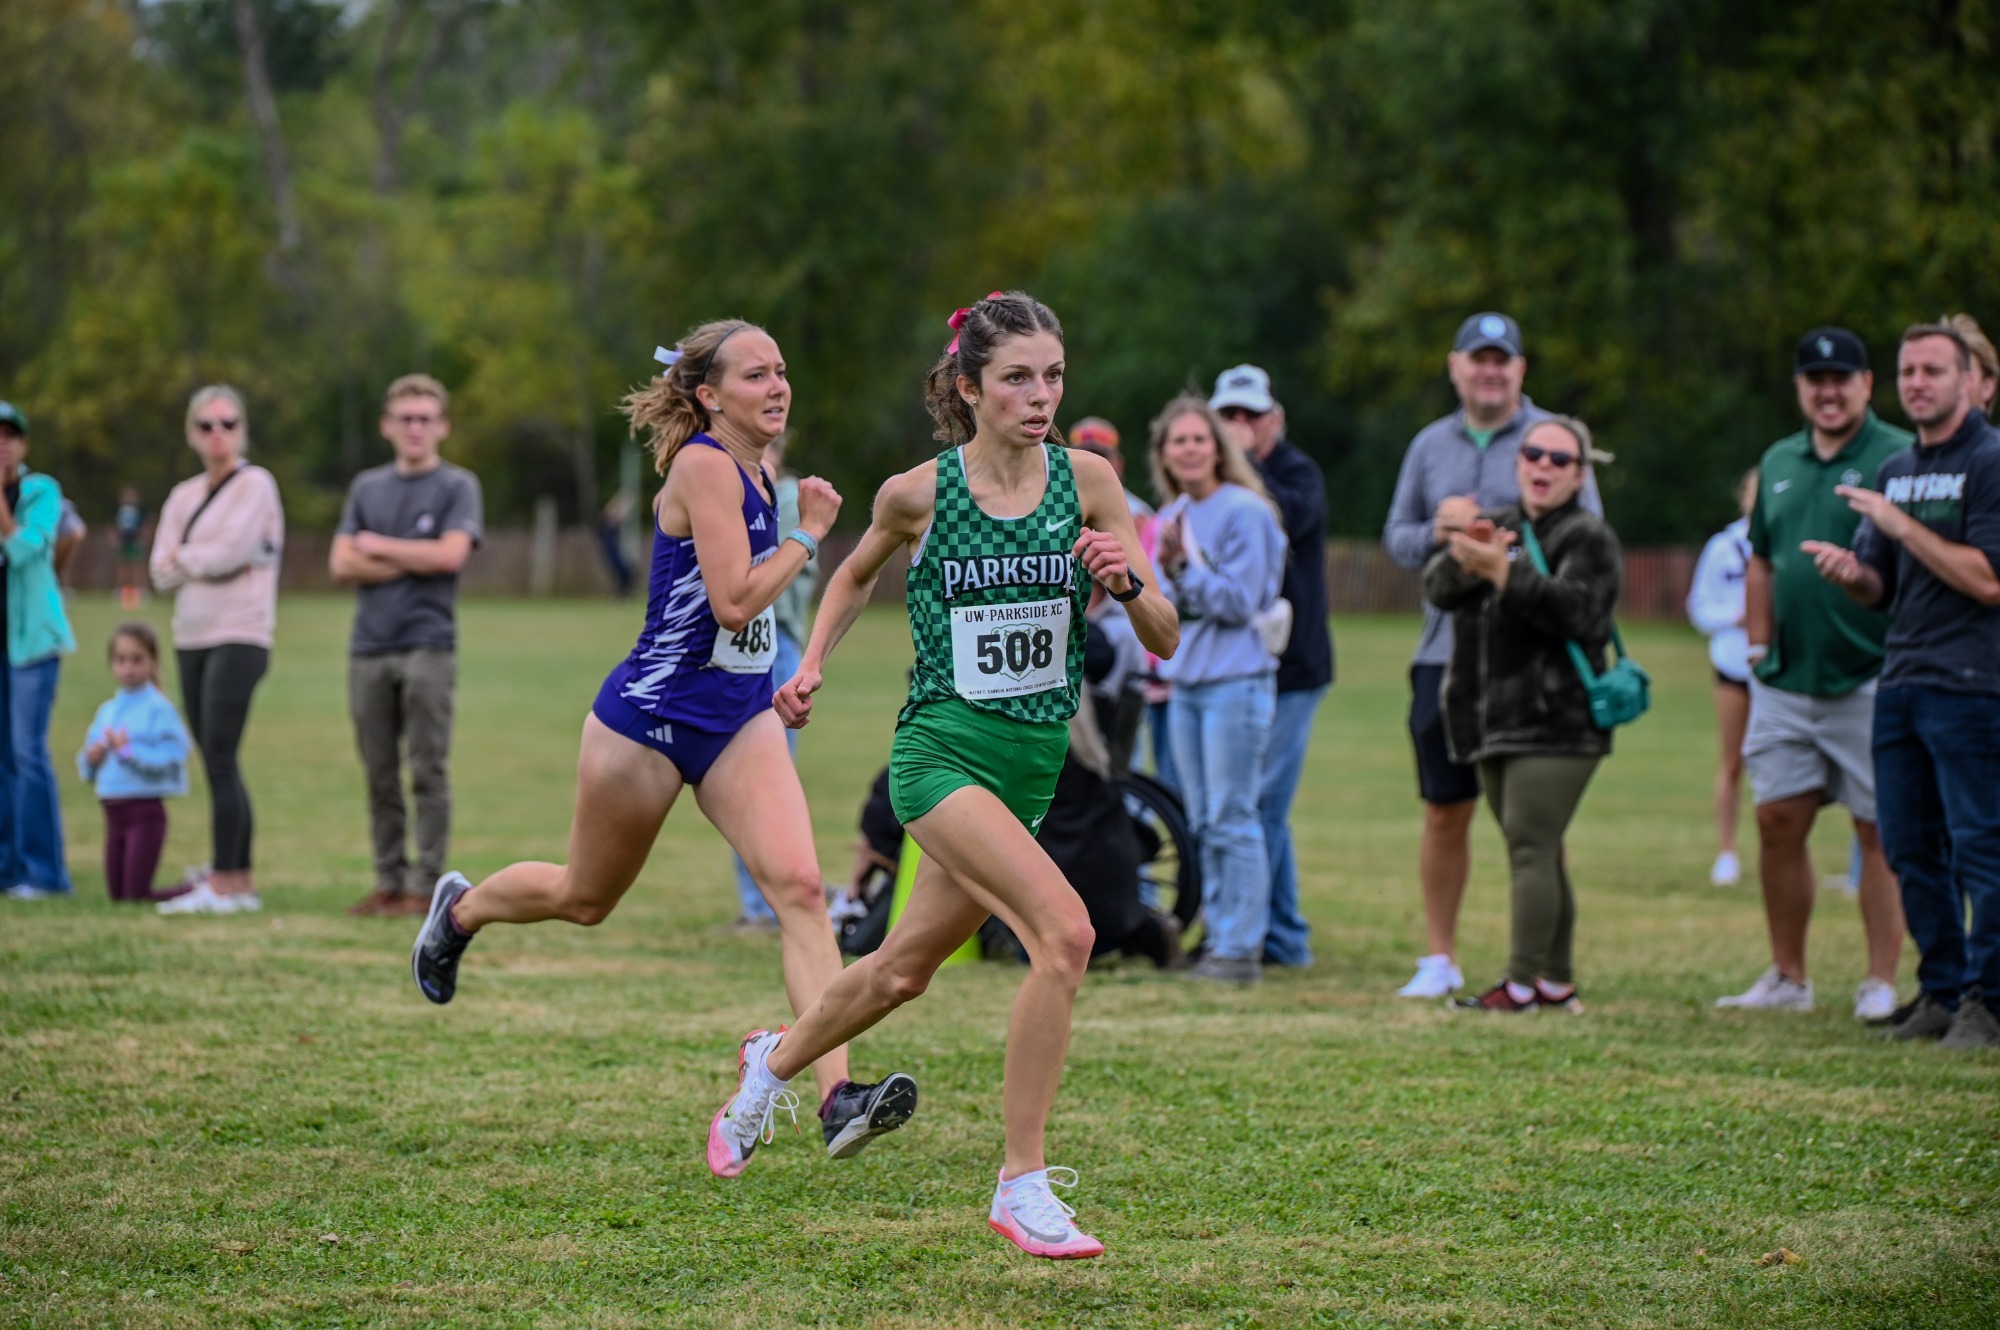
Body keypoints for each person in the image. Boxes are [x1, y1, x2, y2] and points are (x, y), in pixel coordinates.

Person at [716, 291, 1176, 1260]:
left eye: (1053, 376)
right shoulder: (918, 494)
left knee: (901, 970)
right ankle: (1022, 1184)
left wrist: (1126, 581)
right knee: (1066, 934)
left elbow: (1164, 633)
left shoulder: (1090, 482)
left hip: (1031, 770)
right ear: (968, 388)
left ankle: (771, 1063)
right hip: (939, 755)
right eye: (1017, 378)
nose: (1040, 395)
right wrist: (811, 664)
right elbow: (853, 573)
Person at [410, 320, 921, 1160]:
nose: (778, 386)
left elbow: (743, 627)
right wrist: (807, 533)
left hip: (737, 719)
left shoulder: (761, 469)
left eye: (782, 371)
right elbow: (734, 600)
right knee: (585, 897)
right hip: (649, 721)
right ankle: (461, 911)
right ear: (710, 396)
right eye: (756, 375)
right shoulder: (703, 466)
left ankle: (838, 1097)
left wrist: (778, 680)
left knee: (800, 890)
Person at [1382, 312, 1601, 998]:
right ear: (1456, 367)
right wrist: (1439, 531)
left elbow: (1587, 536)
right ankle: (1439, 957)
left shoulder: (1552, 440)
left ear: (1519, 370)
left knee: (1533, 822)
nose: (1489, 371)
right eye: (1477, 359)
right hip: (1444, 655)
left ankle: (1542, 968)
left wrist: (1503, 548)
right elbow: (1396, 538)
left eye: (1501, 360)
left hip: (1529, 661)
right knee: (1445, 807)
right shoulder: (1428, 444)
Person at [1807, 322, 2000, 1049]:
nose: (1917, 382)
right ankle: (1942, 992)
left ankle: (1990, 1000)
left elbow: (1988, 579)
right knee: (1911, 847)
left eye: (1933, 370)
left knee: (1980, 847)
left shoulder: (1990, 461)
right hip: (1903, 677)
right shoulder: (1894, 469)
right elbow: (1880, 586)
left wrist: (1902, 524)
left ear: (1969, 381)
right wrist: (1850, 573)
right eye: (1908, 370)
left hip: (1973, 684)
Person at [1715, 329, 1906, 1021]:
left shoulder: (1897, 456)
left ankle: (1880, 981)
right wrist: (1758, 649)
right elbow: (1762, 560)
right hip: (1786, 680)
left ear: (1866, 384)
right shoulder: (1778, 459)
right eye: (1815, 379)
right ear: (1799, 387)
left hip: (1871, 674)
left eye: (1841, 378)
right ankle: (1789, 978)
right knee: (1776, 820)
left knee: (1877, 830)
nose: (1828, 391)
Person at [1422, 417, 1621, 1012]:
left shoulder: (1589, 536)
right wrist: (1468, 553)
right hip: (1488, 721)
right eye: (1533, 454)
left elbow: (1578, 611)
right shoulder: (1502, 523)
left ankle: (1519, 985)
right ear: (1518, 463)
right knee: (1538, 848)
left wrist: (1504, 571)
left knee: (1531, 850)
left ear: (1580, 476)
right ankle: (1555, 985)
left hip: (1557, 721)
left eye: (1560, 460)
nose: (1543, 466)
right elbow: (1438, 589)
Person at [331, 375, 483, 918]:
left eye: (425, 418)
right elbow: (340, 564)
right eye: (405, 418)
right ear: (386, 426)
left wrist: (377, 547)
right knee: (378, 773)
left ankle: (425, 885)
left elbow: (450, 557)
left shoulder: (458, 486)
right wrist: (417, 553)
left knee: (426, 769)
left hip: (428, 645)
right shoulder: (366, 488)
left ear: (442, 426)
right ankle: (388, 881)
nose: (415, 427)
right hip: (369, 647)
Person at [1151, 394, 1286, 984]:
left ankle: (1240, 949)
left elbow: (1241, 601)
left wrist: (1185, 569)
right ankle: (1219, 936)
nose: (1189, 450)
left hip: (1237, 680)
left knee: (1233, 814)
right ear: (1164, 454)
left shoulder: (1245, 511)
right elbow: (1167, 604)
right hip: (1188, 683)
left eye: (1198, 439)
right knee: (1203, 819)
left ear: (1218, 448)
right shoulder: (1174, 513)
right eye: (1177, 441)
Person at [1210, 364, 1332, 968]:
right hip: (1233, 668)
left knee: (1263, 806)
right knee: (1249, 807)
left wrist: (1238, 464)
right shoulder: (1205, 483)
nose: (1239, 425)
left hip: (1293, 670)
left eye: (1250, 415)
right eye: (1227, 416)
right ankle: (1281, 934)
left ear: (1274, 420)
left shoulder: (1296, 473)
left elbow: (1282, 517)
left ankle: (1275, 936)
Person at [150, 386, 284, 914]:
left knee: (222, 757)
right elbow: (159, 570)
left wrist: (187, 557)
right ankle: (236, 876)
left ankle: (227, 885)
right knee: (213, 758)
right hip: (190, 635)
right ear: (192, 432)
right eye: (206, 424)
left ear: (242, 430)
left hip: (241, 633)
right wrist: (198, 558)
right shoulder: (182, 495)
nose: (217, 433)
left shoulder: (256, 485)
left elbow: (231, 553)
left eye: (228, 423)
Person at [728, 431, 817, 932]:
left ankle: (766, 905)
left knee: (765, 779)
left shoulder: (783, 498)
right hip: (752, 642)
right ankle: (760, 902)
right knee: (747, 778)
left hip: (772, 643)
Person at [0, 401, 76, 899]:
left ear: (23, 444)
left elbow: (26, 550)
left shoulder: (41, 491)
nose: (2, 445)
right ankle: (9, 869)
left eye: (10, 435)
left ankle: (45, 873)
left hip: (32, 644)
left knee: (28, 754)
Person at [77, 624, 191, 904]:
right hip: (113, 814)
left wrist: (129, 754)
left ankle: (193, 891)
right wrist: (91, 759)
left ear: (153, 661)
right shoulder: (107, 711)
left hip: (145, 812)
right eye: (121, 660)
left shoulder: (159, 708)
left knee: (135, 895)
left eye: (137, 659)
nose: (128, 668)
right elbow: (86, 766)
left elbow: (175, 754)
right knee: (117, 897)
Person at [1686, 469, 1757, 887]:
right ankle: (1727, 852)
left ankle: (1777, 848)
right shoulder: (1723, 547)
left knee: (1777, 767)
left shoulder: (1791, 540)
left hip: (1779, 667)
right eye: (1753, 494)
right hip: (1733, 664)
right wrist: (1736, 617)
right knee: (1732, 762)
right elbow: (1698, 607)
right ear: (1742, 497)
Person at [116, 487, 146, 610]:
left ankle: (138, 589)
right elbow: (115, 525)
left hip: (135, 540)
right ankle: (121, 589)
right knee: (123, 566)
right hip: (124, 541)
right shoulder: (119, 510)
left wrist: (142, 539)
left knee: (136, 565)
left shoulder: (140, 511)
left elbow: (143, 525)